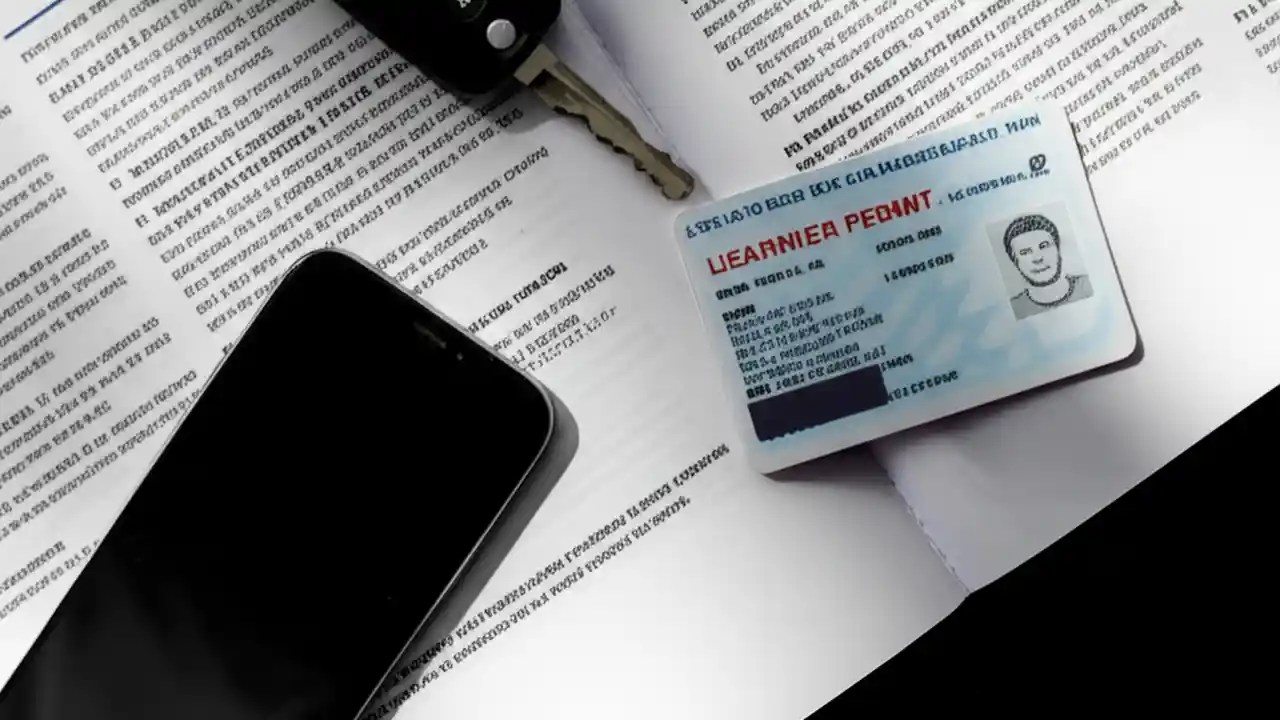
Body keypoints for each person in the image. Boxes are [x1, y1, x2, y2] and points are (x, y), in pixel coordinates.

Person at [1003, 214, 1092, 319]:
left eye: (1043, 246)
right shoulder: (1014, 309)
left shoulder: (1088, 285)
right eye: (1025, 252)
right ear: (1015, 262)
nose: (1037, 258)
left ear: (1058, 249)